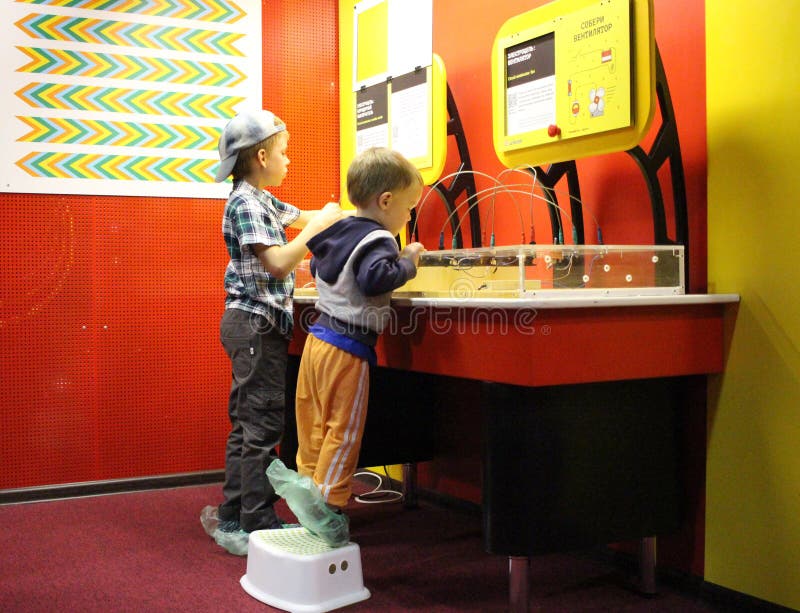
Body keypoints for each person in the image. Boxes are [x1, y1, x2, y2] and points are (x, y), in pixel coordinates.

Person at [201, 109, 344, 556]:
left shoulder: (262, 199)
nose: (289, 160)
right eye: (284, 152)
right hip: (254, 325)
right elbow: (279, 261)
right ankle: (258, 523)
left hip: (256, 325)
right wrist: (319, 228)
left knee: (247, 426)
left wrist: (337, 215)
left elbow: (305, 218)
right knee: (261, 425)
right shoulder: (244, 202)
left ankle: (233, 514)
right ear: (262, 156)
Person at [267, 147, 425, 547]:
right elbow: (376, 278)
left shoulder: (337, 230)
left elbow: (321, 267)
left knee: (313, 422)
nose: (408, 217)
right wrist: (408, 261)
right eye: (408, 209)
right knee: (344, 428)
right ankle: (330, 505)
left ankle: (308, 491)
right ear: (385, 201)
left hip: (317, 341)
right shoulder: (380, 238)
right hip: (348, 348)